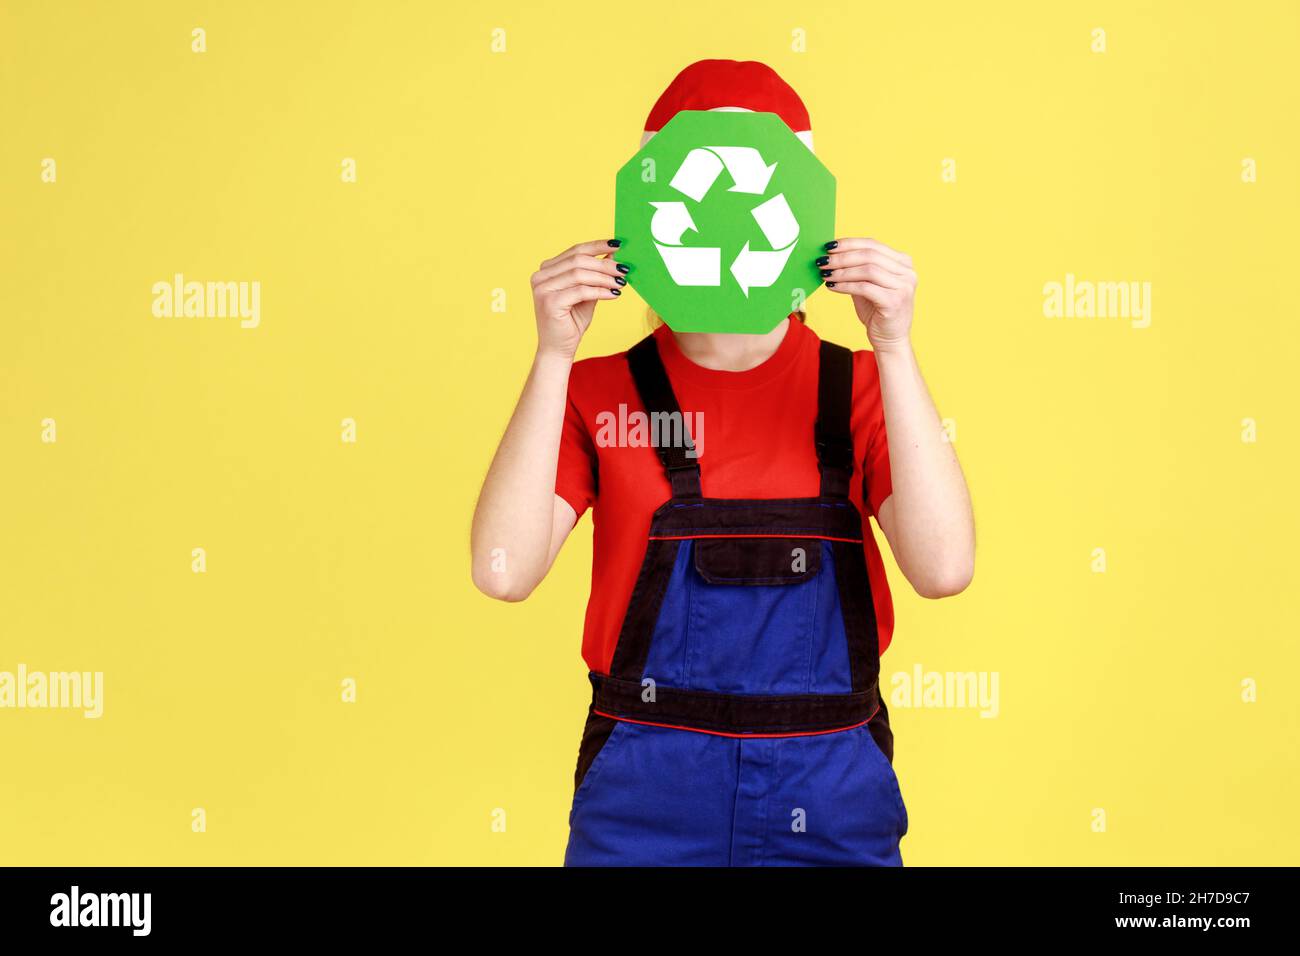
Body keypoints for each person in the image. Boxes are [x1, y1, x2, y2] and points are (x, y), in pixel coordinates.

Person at [471, 59, 974, 866]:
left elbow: (944, 567)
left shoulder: (864, 388)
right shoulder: (598, 390)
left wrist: (895, 345)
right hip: (645, 801)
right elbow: (502, 571)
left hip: (830, 798)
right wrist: (552, 356)